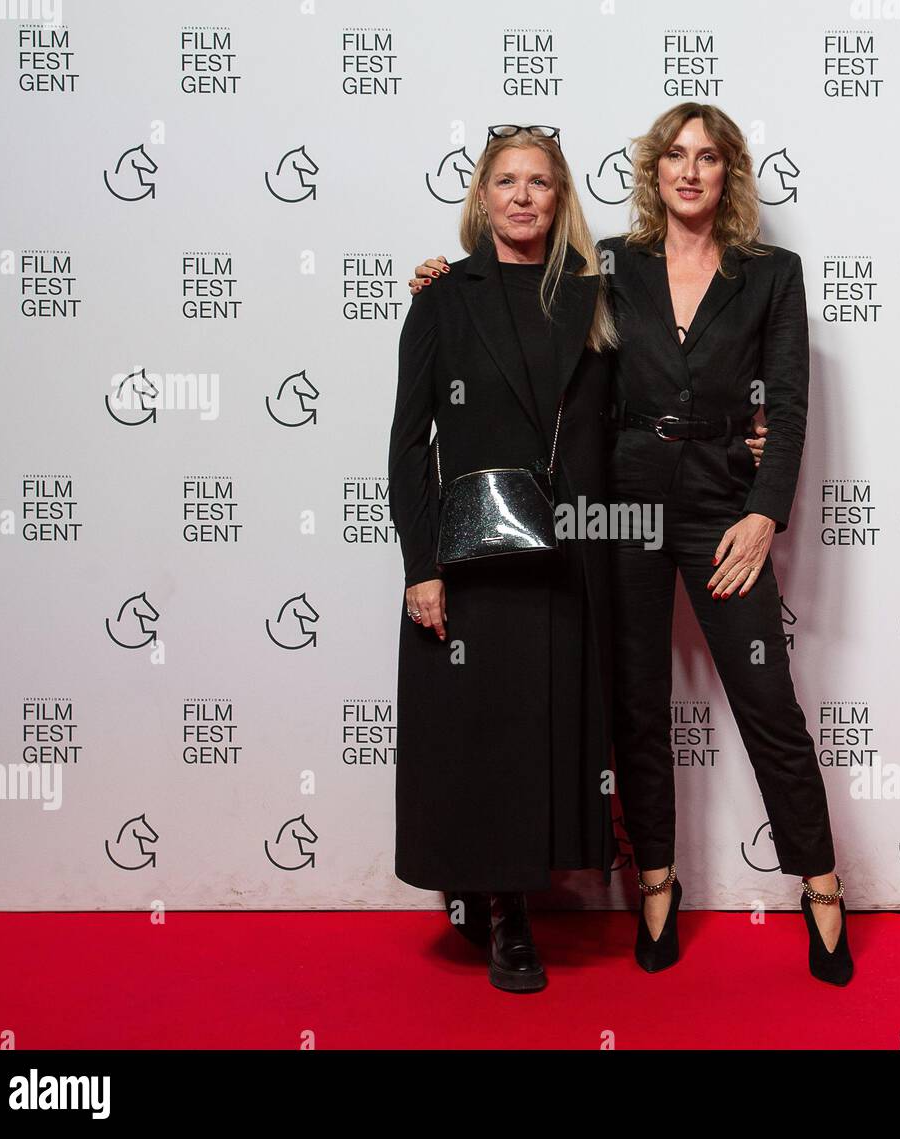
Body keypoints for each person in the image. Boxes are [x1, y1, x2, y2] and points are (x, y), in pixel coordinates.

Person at [405, 103, 849, 985]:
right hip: (626, 507)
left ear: (730, 174)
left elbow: (789, 404)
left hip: (725, 509)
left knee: (769, 704)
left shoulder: (773, 273)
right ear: (654, 171)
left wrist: (763, 509)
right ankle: (656, 883)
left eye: (708, 157)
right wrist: (442, 282)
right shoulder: (605, 268)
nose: (690, 172)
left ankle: (823, 887)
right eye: (675, 156)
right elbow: (515, 306)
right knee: (637, 708)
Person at [387, 124, 619, 993]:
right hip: (473, 559)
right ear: (481, 198)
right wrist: (421, 565)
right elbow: (409, 447)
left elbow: (634, 413)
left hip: (566, 558)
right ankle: (499, 912)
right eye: (506, 182)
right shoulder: (443, 301)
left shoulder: (595, 297)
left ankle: (518, 891)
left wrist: (744, 436)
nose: (523, 196)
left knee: (538, 732)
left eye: (540, 183)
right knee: (476, 734)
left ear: (561, 199)